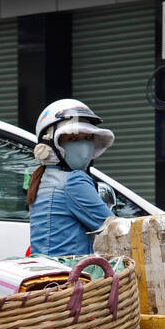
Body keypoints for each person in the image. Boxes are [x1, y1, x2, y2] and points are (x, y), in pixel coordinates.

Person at [27, 98, 115, 257]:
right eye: (73, 139)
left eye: (88, 138)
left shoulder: (42, 178)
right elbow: (116, 231)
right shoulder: (74, 182)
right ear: (52, 144)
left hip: (47, 273)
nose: (83, 145)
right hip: (70, 276)